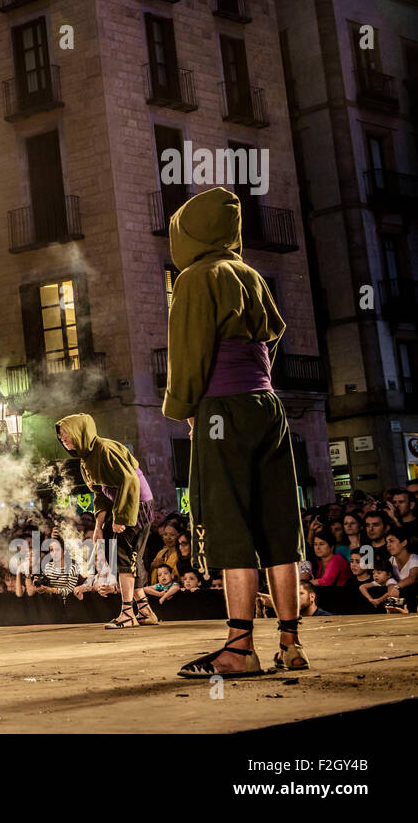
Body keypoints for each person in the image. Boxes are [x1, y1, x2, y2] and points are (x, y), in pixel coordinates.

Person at [163, 189, 307, 677]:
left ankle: (239, 648)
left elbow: (189, 350)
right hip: (268, 404)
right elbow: (275, 330)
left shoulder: (195, 278)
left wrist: (186, 407)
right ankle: (290, 642)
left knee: (228, 523)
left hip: (221, 406)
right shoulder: (250, 274)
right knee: (277, 521)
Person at [55, 413, 157, 630]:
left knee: (124, 559)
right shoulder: (86, 459)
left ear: (80, 433)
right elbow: (100, 493)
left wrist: (121, 518)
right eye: (61, 437)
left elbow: (129, 481)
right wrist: (98, 526)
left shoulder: (105, 449)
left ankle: (128, 613)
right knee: (127, 560)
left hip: (135, 507)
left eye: (66, 435)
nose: (64, 440)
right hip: (121, 508)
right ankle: (145, 611)